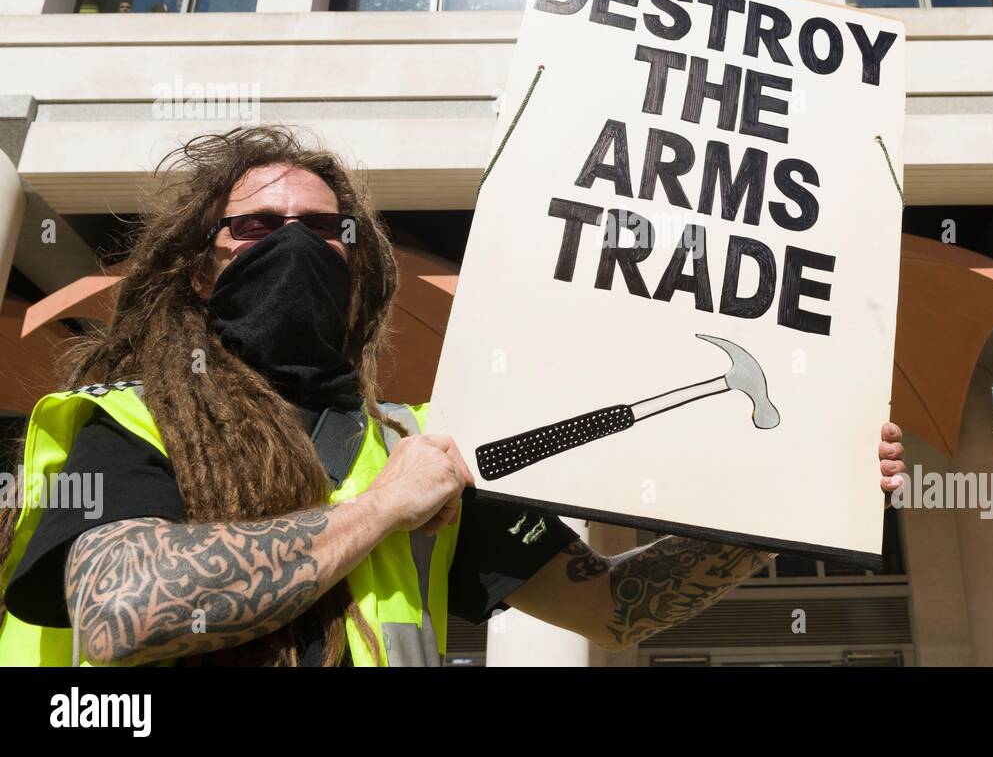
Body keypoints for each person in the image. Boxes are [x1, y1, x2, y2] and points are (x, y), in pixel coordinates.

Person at [0, 125, 905, 667]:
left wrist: (803, 501)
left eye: (324, 229)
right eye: (257, 228)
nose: (295, 245)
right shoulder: (137, 418)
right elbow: (124, 608)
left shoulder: (424, 442)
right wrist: (386, 507)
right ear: (199, 270)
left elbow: (615, 607)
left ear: (361, 268)